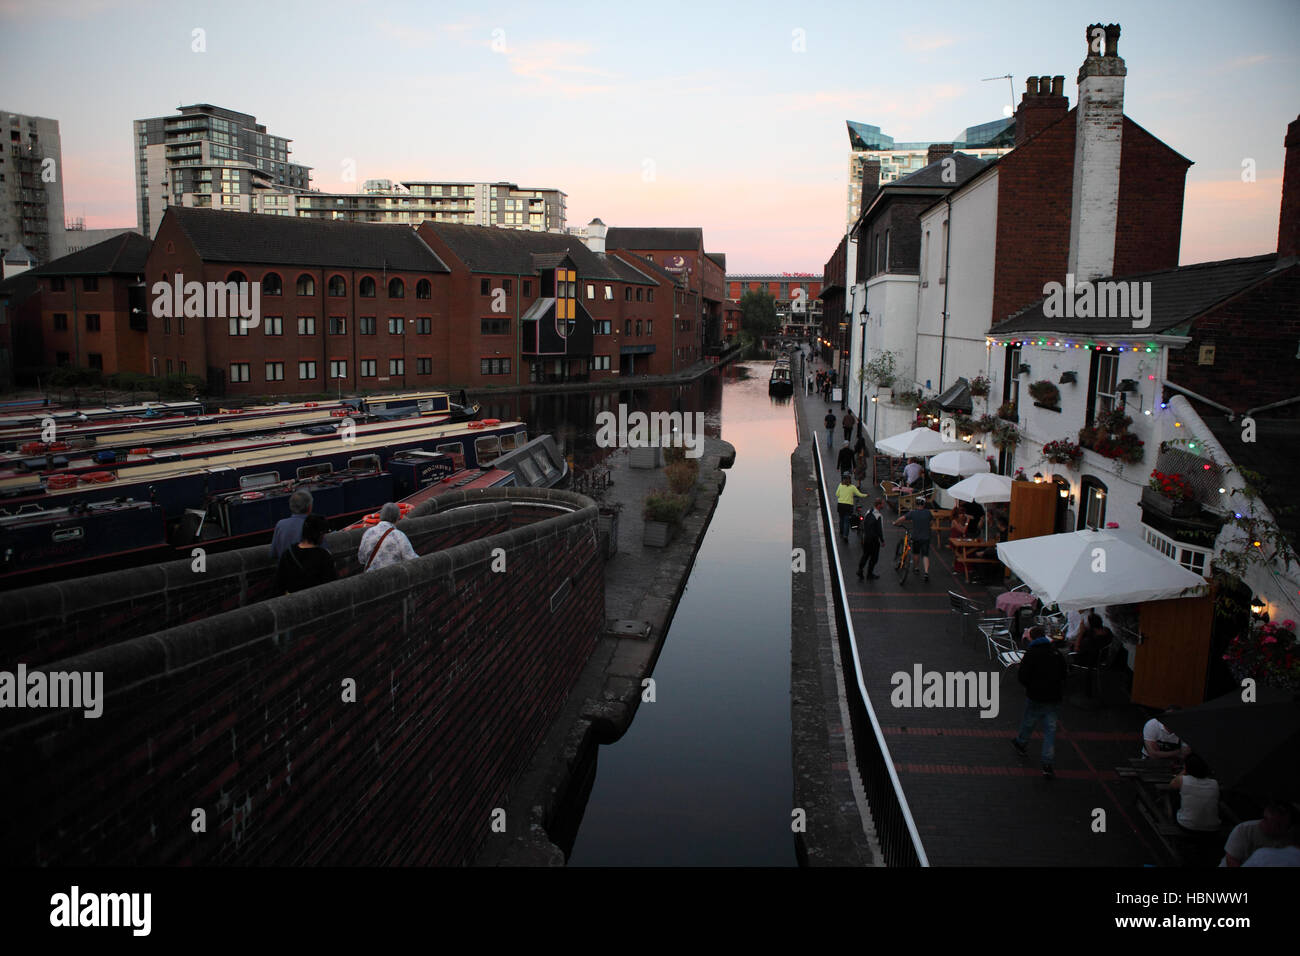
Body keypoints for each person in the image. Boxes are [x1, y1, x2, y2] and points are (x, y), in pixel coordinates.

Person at [1012, 628, 1069, 778]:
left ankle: (1021, 742)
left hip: (1036, 695)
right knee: (1050, 729)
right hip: (1054, 697)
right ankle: (1047, 763)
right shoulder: (1056, 653)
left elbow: (1023, 677)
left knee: (1029, 720)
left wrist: (1031, 686)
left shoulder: (1031, 654)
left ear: (1031, 638)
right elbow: (1064, 673)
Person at [1170, 754, 1221, 865]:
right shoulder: (1214, 784)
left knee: (1173, 796)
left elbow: (1172, 785)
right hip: (1213, 828)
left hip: (1188, 826)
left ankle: (1174, 816)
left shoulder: (1182, 780)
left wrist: (1184, 771)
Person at [273, 514, 337, 595]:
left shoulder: (288, 553)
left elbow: (279, 583)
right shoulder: (324, 556)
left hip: (292, 602)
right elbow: (331, 586)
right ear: (319, 534)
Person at [1221, 803, 1299, 866]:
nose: (1273, 827)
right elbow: (1231, 859)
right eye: (1268, 821)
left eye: (1279, 825)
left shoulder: (1289, 839)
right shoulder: (1244, 829)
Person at [358, 502, 418, 571]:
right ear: (397, 518)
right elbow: (411, 558)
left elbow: (361, 559)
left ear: (381, 516)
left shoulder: (368, 533)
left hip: (370, 578)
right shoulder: (399, 536)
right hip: (392, 577)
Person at [893, 498, 933, 582]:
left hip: (916, 537)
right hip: (926, 537)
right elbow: (931, 523)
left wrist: (895, 523)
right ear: (924, 504)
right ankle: (926, 572)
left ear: (916, 504)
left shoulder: (913, 513)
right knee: (925, 555)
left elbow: (902, 518)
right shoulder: (928, 513)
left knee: (916, 553)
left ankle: (916, 568)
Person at [270, 490, 313, 560]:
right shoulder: (313, 525)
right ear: (309, 508)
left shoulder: (280, 525)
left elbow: (273, 554)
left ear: (291, 507)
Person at [836, 473, 869, 542]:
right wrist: (866, 495)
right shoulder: (852, 487)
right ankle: (845, 535)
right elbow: (859, 494)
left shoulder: (840, 485)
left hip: (840, 505)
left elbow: (837, 494)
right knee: (846, 521)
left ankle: (841, 532)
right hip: (848, 506)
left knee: (841, 519)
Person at [857, 498, 885, 580]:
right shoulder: (878, 516)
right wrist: (882, 540)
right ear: (879, 505)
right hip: (874, 539)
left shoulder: (868, 512)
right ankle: (869, 574)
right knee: (874, 558)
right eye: (882, 504)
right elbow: (879, 530)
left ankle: (860, 570)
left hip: (866, 538)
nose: (883, 505)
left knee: (865, 555)